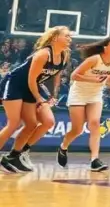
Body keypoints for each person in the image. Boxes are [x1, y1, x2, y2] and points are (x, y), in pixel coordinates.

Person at [0, 26, 73, 173]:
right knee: (14, 123)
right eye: (66, 36)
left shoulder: (64, 55)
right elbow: (31, 79)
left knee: (33, 123)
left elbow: (56, 76)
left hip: (32, 87)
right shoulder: (43, 54)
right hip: (16, 83)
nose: (69, 39)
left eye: (70, 36)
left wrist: (54, 95)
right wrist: (39, 99)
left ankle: (14, 156)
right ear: (54, 38)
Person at [58, 36, 110, 172]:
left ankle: (94, 160)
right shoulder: (94, 59)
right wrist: (93, 79)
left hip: (95, 95)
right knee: (77, 129)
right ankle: (63, 146)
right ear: (105, 47)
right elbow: (74, 75)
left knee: (94, 124)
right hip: (78, 93)